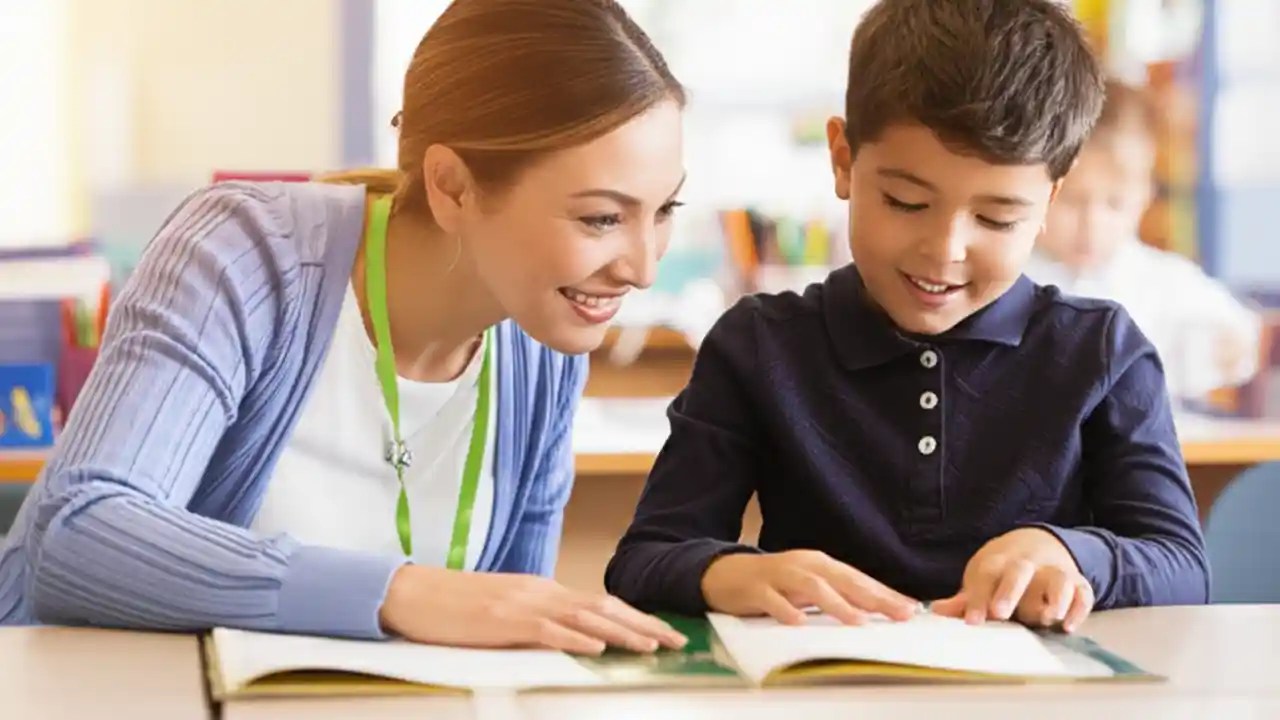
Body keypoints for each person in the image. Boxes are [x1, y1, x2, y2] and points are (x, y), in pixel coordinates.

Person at [0, 0, 689, 657]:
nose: (642, 268)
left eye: (664, 210)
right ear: (451, 186)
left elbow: (511, 627)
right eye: (601, 218)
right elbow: (77, 536)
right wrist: (401, 593)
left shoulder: (544, 342)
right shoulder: (248, 254)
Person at [605, 0, 1209, 635]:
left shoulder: (1102, 349)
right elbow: (642, 562)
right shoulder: (759, 344)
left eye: (998, 219)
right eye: (906, 201)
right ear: (842, 160)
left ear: (1048, 200)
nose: (945, 249)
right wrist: (735, 572)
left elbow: (1181, 567)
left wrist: (1071, 553)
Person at [1025, 79, 1262, 404]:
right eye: (1072, 201)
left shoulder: (1161, 278)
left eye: (1115, 204)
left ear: (1144, 198)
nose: (1091, 224)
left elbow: (1239, 333)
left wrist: (1228, 347)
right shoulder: (1014, 273)